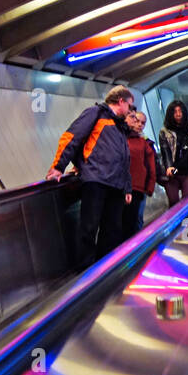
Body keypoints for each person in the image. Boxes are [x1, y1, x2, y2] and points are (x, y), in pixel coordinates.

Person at [46, 85, 133, 269]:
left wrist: (127, 187)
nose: (130, 111)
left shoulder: (120, 126)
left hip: (116, 185)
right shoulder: (96, 114)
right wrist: (58, 167)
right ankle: (85, 271)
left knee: (112, 230)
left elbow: (124, 159)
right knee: (89, 227)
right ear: (121, 102)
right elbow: (72, 137)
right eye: (130, 106)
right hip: (96, 180)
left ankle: (103, 269)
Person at [121, 110, 157, 239]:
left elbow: (151, 165)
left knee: (134, 221)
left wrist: (149, 186)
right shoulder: (119, 137)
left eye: (142, 123)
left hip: (136, 187)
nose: (139, 124)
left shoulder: (144, 143)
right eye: (136, 120)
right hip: (117, 186)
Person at [158, 100, 188, 206]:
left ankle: (187, 222)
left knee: (187, 201)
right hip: (173, 171)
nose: (178, 114)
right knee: (173, 201)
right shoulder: (165, 131)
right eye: (175, 112)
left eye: (180, 111)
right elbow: (165, 150)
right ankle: (174, 222)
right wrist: (169, 167)